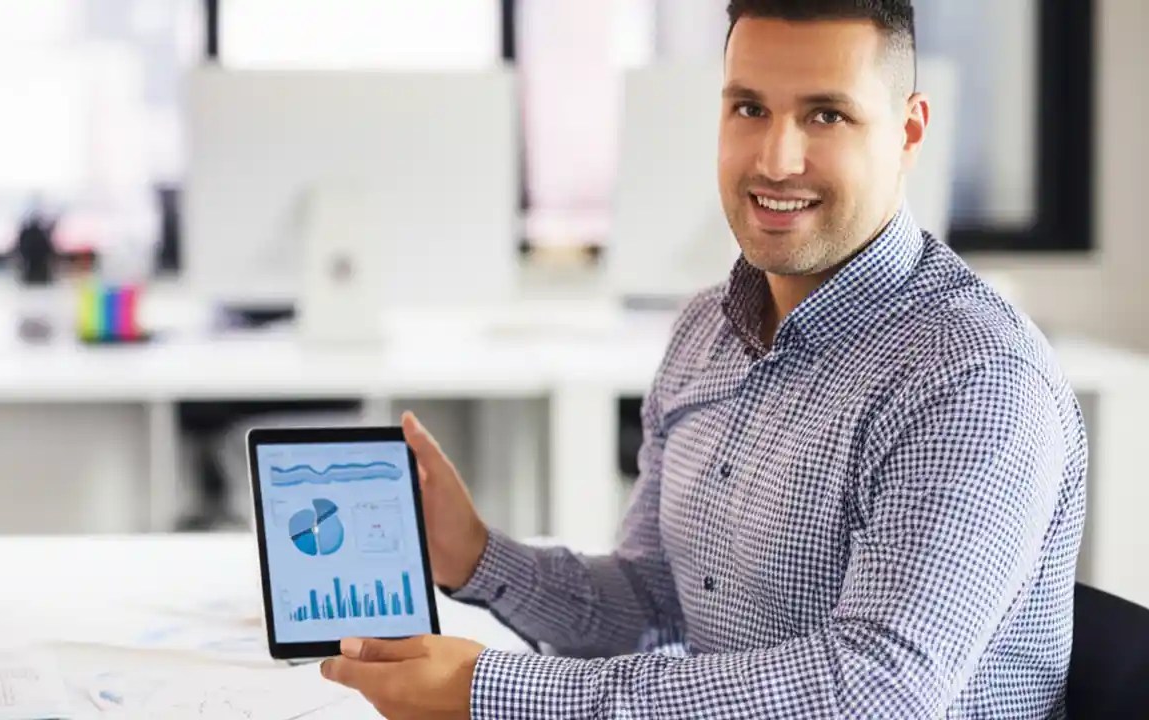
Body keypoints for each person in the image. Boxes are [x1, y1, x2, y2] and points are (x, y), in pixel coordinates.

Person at [320, 1, 1088, 717]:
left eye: (826, 114)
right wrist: (479, 557)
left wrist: (490, 690)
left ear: (909, 133)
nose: (777, 159)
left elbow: (875, 691)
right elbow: (652, 604)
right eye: (749, 108)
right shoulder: (706, 331)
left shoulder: (973, 376)